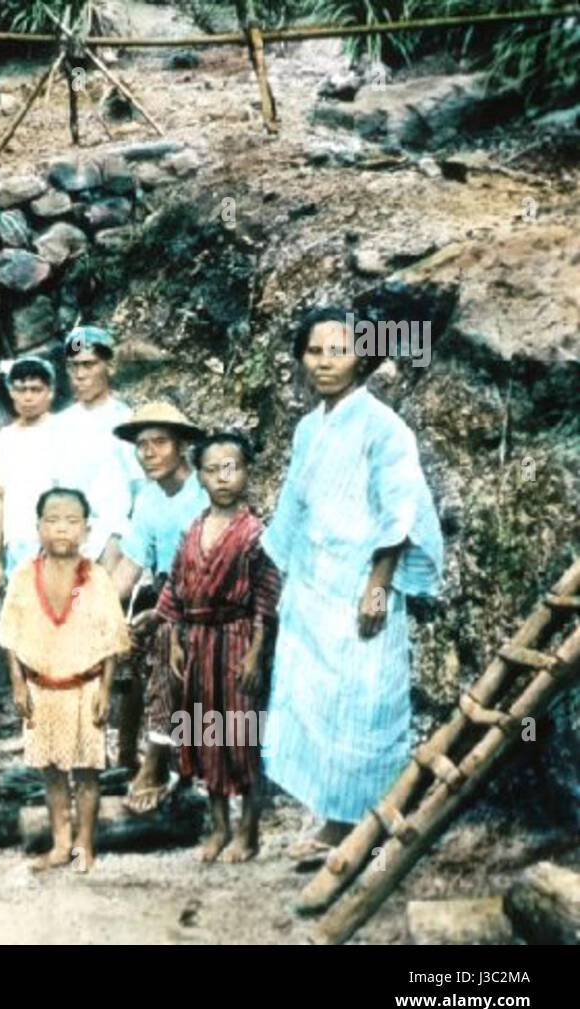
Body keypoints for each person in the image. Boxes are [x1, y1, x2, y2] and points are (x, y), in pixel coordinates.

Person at [261, 307, 443, 862]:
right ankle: (335, 819)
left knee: (365, 703)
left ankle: (367, 824)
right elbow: (294, 502)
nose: (324, 362)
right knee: (317, 702)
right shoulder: (308, 426)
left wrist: (379, 584)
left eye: (337, 350)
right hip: (315, 582)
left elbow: (401, 506)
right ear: (301, 358)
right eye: (314, 351)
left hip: (363, 580)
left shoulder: (382, 426)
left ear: (361, 355)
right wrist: (281, 574)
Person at [155, 431, 281, 863]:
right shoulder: (192, 530)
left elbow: (267, 597)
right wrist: (174, 638)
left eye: (232, 468)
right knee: (203, 736)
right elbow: (175, 586)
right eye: (213, 470)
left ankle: (248, 831)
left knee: (241, 738)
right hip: (197, 644)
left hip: (237, 638)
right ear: (201, 477)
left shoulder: (256, 533)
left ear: (246, 472)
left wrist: (255, 651)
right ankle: (218, 826)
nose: (223, 478)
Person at [0, 487, 131, 873]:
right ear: (38, 528)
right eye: (52, 521)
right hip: (41, 690)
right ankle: (60, 843)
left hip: (84, 689)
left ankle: (84, 846)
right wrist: (18, 684)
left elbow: (111, 641)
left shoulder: (98, 579)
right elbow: (10, 635)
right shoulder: (24, 575)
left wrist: (105, 689)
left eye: (71, 522)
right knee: (51, 771)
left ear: (87, 530)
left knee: (87, 773)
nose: (61, 530)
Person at [110, 401, 208, 809]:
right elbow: (129, 567)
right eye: (142, 444)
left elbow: (211, 571)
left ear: (182, 445)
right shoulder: (149, 498)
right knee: (126, 640)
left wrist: (162, 613)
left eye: (160, 443)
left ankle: (156, 762)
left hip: (211, 599)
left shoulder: (205, 491)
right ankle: (126, 757)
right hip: (167, 595)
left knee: (164, 640)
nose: (148, 453)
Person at [51, 326, 144, 572]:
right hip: (68, 533)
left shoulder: (126, 422)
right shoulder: (59, 425)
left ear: (109, 366)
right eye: (74, 366)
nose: (80, 375)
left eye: (89, 365)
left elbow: (141, 490)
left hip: (113, 536)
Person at [0, 356, 59, 599]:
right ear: (11, 391)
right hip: (15, 543)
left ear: (49, 392)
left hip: (52, 543)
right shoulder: (4, 438)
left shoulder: (62, 430)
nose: (28, 397)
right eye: (21, 389)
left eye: (35, 389)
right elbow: (2, 498)